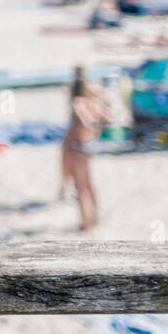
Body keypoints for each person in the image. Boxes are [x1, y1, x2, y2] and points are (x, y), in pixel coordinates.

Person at [61, 66, 107, 230]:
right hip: (87, 145)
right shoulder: (92, 103)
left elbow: (86, 120)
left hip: (76, 145)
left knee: (80, 185)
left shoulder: (78, 103)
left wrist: (91, 125)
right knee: (88, 183)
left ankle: (85, 221)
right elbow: (104, 119)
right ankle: (95, 215)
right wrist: (95, 131)